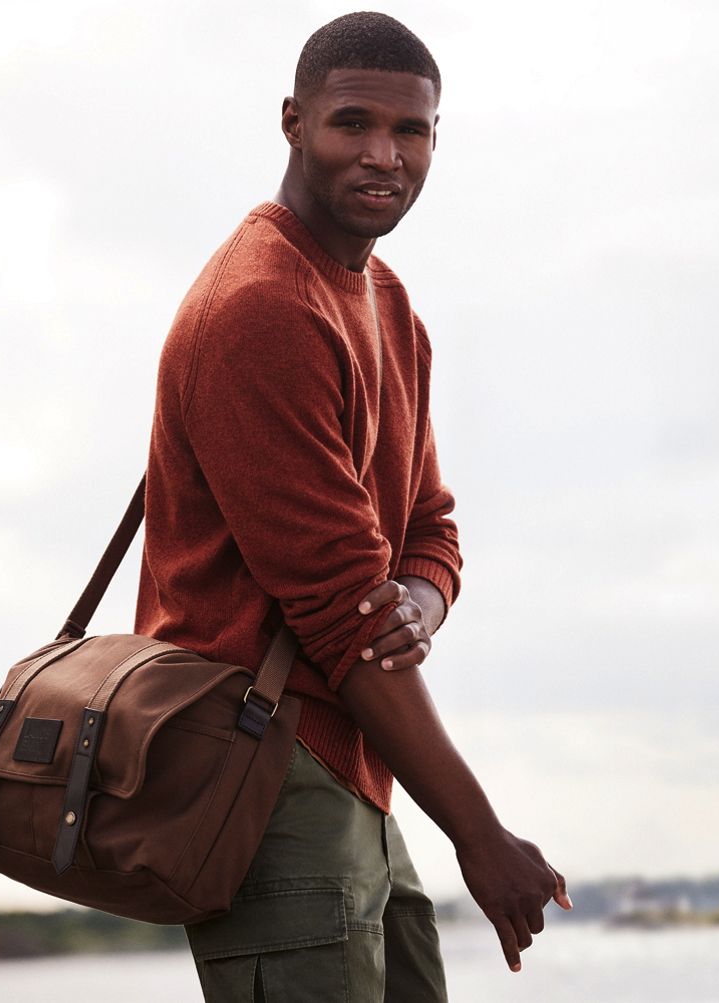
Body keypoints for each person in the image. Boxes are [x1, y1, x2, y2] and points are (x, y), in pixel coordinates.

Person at [135, 11, 570, 1001]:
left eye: (410, 131)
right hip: (258, 769)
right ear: (293, 122)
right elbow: (337, 615)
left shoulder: (384, 302)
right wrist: (481, 834)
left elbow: (430, 526)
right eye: (352, 123)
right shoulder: (261, 307)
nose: (385, 155)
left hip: (351, 768)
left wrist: (421, 595)